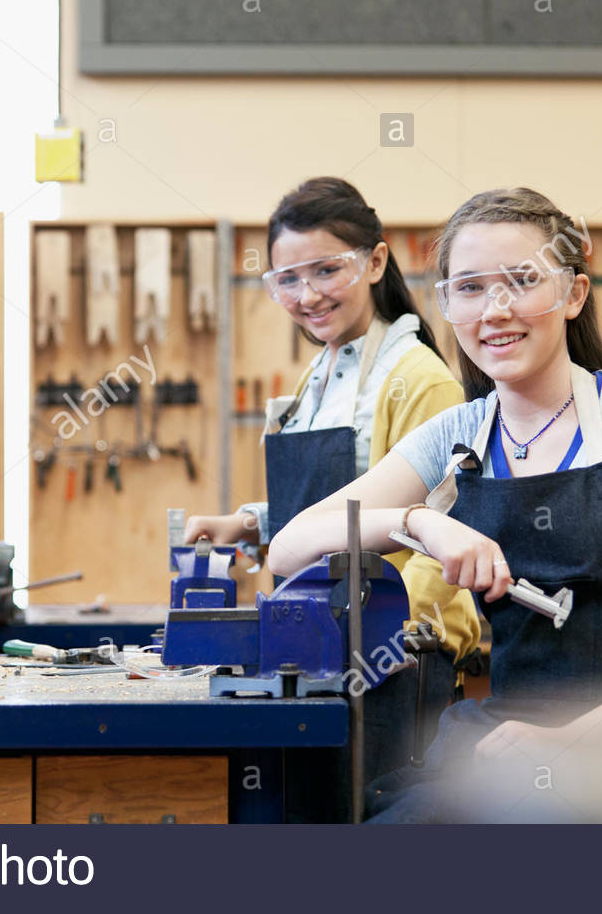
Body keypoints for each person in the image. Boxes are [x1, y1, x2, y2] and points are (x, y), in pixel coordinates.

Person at [267, 187, 602, 822]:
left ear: (573, 295)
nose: (495, 310)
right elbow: (289, 545)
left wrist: (571, 743)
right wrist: (420, 525)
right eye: (468, 288)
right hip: (513, 745)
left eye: (522, 281)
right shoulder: (458, 435)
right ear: (447, 304)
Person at [182, 178, 480, 804]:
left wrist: (396, 646)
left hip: (391, 664)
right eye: (286, 279)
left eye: (325, 270)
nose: (306, 295)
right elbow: (333, 503)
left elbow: (443, 530)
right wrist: (249, 522)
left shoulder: (417, 379)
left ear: (375, 262)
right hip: (314, 649)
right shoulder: (321, 375)